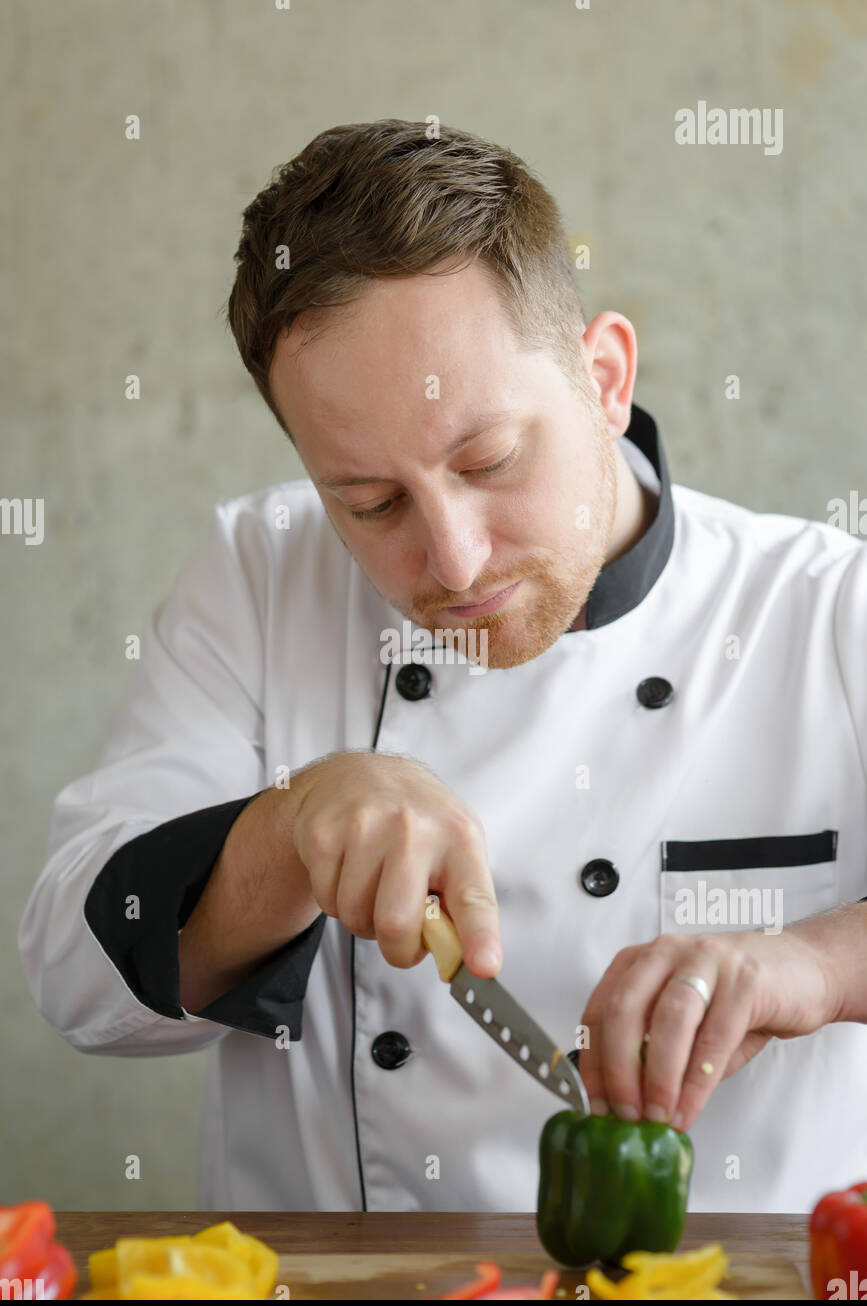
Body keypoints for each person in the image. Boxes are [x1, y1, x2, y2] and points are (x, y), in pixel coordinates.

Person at [19, 119, 867, 1214]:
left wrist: (814, 964)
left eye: (491, 460)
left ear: (606, 378)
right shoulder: (260, 575)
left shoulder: (826, 604)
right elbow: (78, 984)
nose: (453, 558)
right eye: (370, 503)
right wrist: (282, 833)